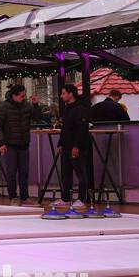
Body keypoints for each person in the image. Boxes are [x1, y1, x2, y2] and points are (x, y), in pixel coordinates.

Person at [0, 84, 33, 206]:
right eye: (21, 96)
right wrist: (1, 143)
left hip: (24, 143)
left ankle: (24, 196)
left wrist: (36, 105)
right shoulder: (3, 107)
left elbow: (37, 117)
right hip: (10, 144)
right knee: (11, 171)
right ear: (14, 96)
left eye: (24, 95)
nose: (24, 98)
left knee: (24, 172)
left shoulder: (27, 106)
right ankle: (13, 196)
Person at [56, 83, 92, 215]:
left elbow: (82, 129)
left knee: (80, 172)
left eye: (63, 93)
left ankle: (82, 198)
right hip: (66, 146)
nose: (61, 96)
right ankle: (65, 198)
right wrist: (60, 143)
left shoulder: (80, 109)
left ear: (71, 94)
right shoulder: (67, 109)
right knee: (66, 173)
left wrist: (76, 146)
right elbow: (65, 128)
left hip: (77, 146)